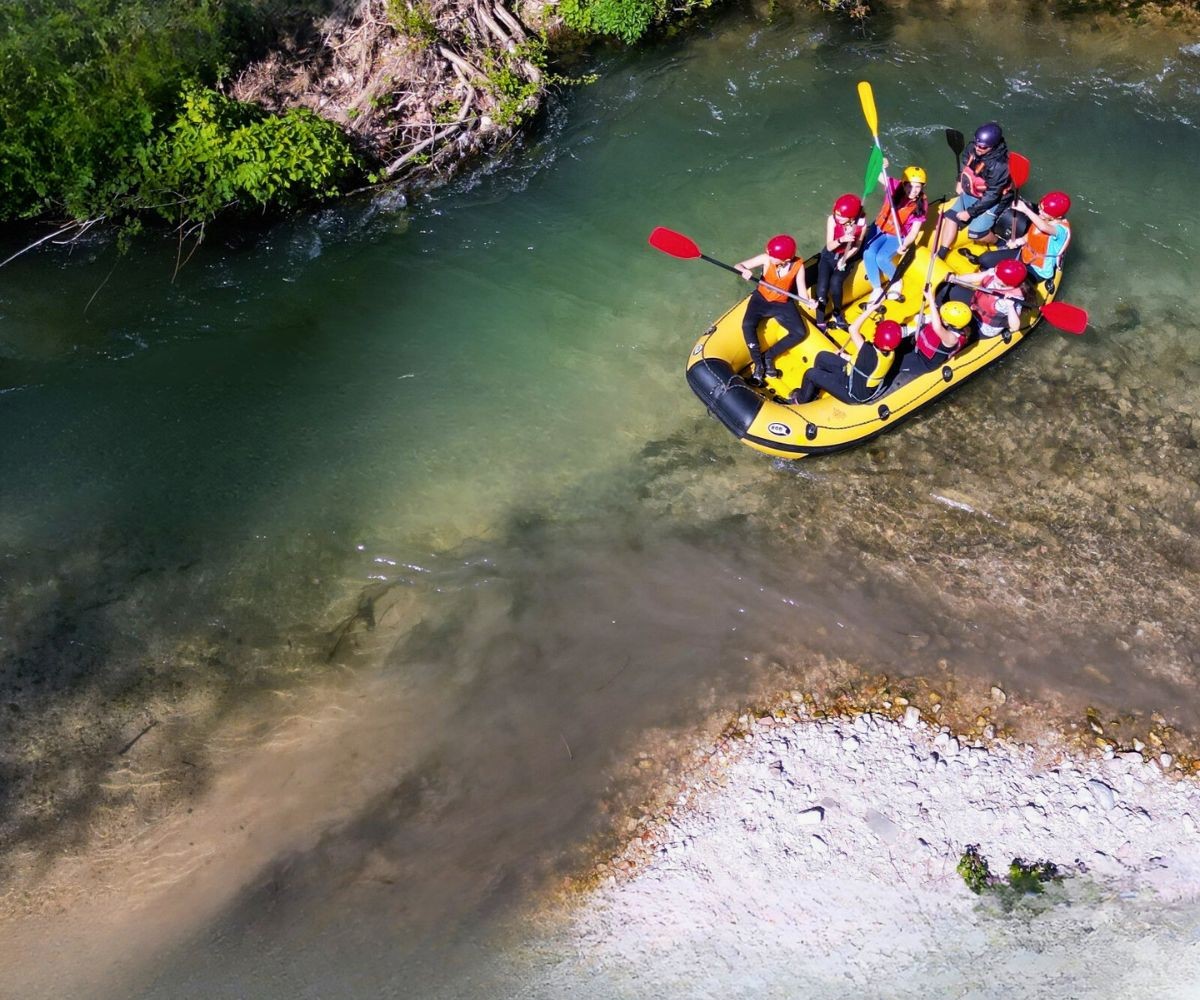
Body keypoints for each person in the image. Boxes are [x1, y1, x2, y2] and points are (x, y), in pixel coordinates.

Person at [735, 234, 816, 383]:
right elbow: (739, 265)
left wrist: (809, 302)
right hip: (761, 299)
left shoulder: (798, 265)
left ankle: (769, 356)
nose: (770, 257)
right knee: (747, 325)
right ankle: (758, 364)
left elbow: (802, 292)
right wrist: (744, 271)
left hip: (782, 303)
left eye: (774, 257)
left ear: (786, 260)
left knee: (800, 332)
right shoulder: (766, 258)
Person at [934, 122, 1013, 259]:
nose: (978, 148)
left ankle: (1000, 242)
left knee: (976, 233)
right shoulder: (972, 148)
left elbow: (992, 195)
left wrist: (970, 213)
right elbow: (965, 164)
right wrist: (959, 180)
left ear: (993, 146)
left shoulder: (1000, 166)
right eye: (977, 143)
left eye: (982, 147)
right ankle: (942, 252)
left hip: (994, 200)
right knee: (951, 216)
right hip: (974, 192)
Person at [788, 312, 901, 406]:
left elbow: (853, 329)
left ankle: (800, 400)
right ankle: (814, 392)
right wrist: (844, 356)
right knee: (822, 357)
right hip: (852, 375)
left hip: (852, 392)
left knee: (810, 374)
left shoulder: (869, 353)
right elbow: (862, 365)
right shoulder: (890, 353)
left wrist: (871, 308)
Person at [966, 191, 1072, 286]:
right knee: (985, 260)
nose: (1040, 212)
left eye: (1044, 211)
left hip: (1038, 270)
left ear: (1057, 217)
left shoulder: (1060, 231)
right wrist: (1019, 241)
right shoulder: (1042, 218)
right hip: (1024, 255)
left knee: (1008, 279)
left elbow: (1043, 227)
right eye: (1040, 208)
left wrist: (1025, 210)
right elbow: (1032, 234)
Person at [862, 161, 928, 300]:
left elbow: (914, 232)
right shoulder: (893, 186)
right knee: (868, 253)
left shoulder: (921, 204)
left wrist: (904, 245)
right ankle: (877, 288)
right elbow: (872, 174)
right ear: (903, 184)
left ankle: (896, 280)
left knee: (882, 258)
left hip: (898, 237)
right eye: (909, 185)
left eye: (918, 187)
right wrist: (881, 164)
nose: (913, 190)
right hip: (880, 228)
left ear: (922, 187)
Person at [813, 194, 867, 332]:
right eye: (837, 214)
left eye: (842, 216)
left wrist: (845, 259)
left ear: (851, 217)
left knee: (836, 284)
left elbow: (857, 246)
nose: (838, 217)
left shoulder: (861, 225)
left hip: (845, 258)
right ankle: (820, 321)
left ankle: (837, 313)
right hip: (829, 256)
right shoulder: (832, 220)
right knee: (822, 290)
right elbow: (829, 246)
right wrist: (842, 239)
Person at [945, 258, 1028, 340]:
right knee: (948, 289)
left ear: (1006, 282)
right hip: (974, 307)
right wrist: (956, 278)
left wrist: (1010, 306)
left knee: (953, 334)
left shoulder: (1011, 299)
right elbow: (974, 278)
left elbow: (1015, 327)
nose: (993, 274)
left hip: (984, 327)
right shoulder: (996, 273)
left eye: (997, 275)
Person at [903, 292, 974, 376]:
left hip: (923, 361)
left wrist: (931, 301)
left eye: (943, 317)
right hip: (918, 344)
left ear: (949, 323)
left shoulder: (953, 339)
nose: (941, 316)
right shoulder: (952, 323)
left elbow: (937, 328)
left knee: (897, 365)